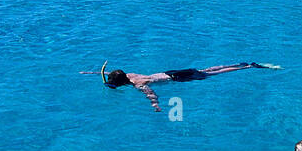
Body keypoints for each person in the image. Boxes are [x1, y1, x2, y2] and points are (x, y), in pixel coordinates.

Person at [100, 61, 277, 112]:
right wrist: (91, 73)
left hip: (176, 78)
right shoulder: (131, 76)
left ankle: (247, 67)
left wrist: (156, 106)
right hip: (169, 71)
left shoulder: (138, 84)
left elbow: (150, 93)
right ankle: (240, 63)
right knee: (205, 70)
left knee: (210, 74)